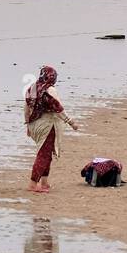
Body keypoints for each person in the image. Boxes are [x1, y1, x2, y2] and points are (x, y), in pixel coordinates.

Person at [25, 65, 78, 193]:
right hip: (47, 125)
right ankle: (33, 184)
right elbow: (58, 109)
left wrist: (28, 125)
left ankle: (44, 182)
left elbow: (26, 109)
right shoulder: (50, 90)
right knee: (43, 155)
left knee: (47, 154)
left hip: (35, 125)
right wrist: (71, 123)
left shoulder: (32, 88)